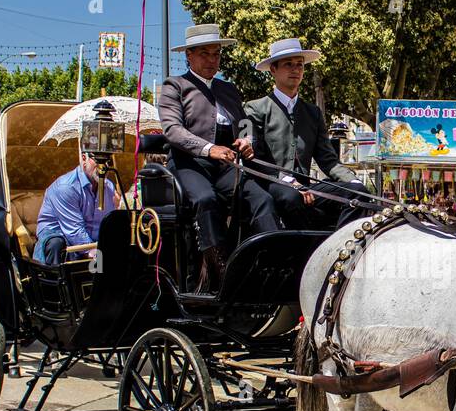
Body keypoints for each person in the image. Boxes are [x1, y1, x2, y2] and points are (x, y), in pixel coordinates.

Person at [157, 23, 279, 289]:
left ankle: (274, 264)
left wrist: (247, 142)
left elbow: (245, 125)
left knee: (262, 199)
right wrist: (208, 148)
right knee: (206, 199)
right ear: (188, 55)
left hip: (226, 164)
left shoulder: (229, 90)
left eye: (216, 54)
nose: (212, 60)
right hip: (189, 163)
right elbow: (172, 130)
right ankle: (218, 271)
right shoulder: (174, 86)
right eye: (205, 54)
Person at [244, 38, 370, 229]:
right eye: (288, 64)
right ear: (273, 69)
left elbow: (328, 160)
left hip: (305, 186)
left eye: (300, 65)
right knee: (292, 197)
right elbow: (254, 159)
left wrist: (351, 179)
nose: (295, 70)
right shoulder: (255, 108)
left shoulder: (312, 113)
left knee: (358, 192)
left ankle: (341, 250)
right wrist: (289, 181)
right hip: (271, 184)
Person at [32, 149, 119, 265]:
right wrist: (95, 253)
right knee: (56, 243)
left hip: (90, 239)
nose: (104, 165)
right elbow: (74, 231)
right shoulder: (66, 187)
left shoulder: (109, 187)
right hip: (61, 237)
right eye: (98, 160)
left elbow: (104, 226)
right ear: (84, 159)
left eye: (108, 160)